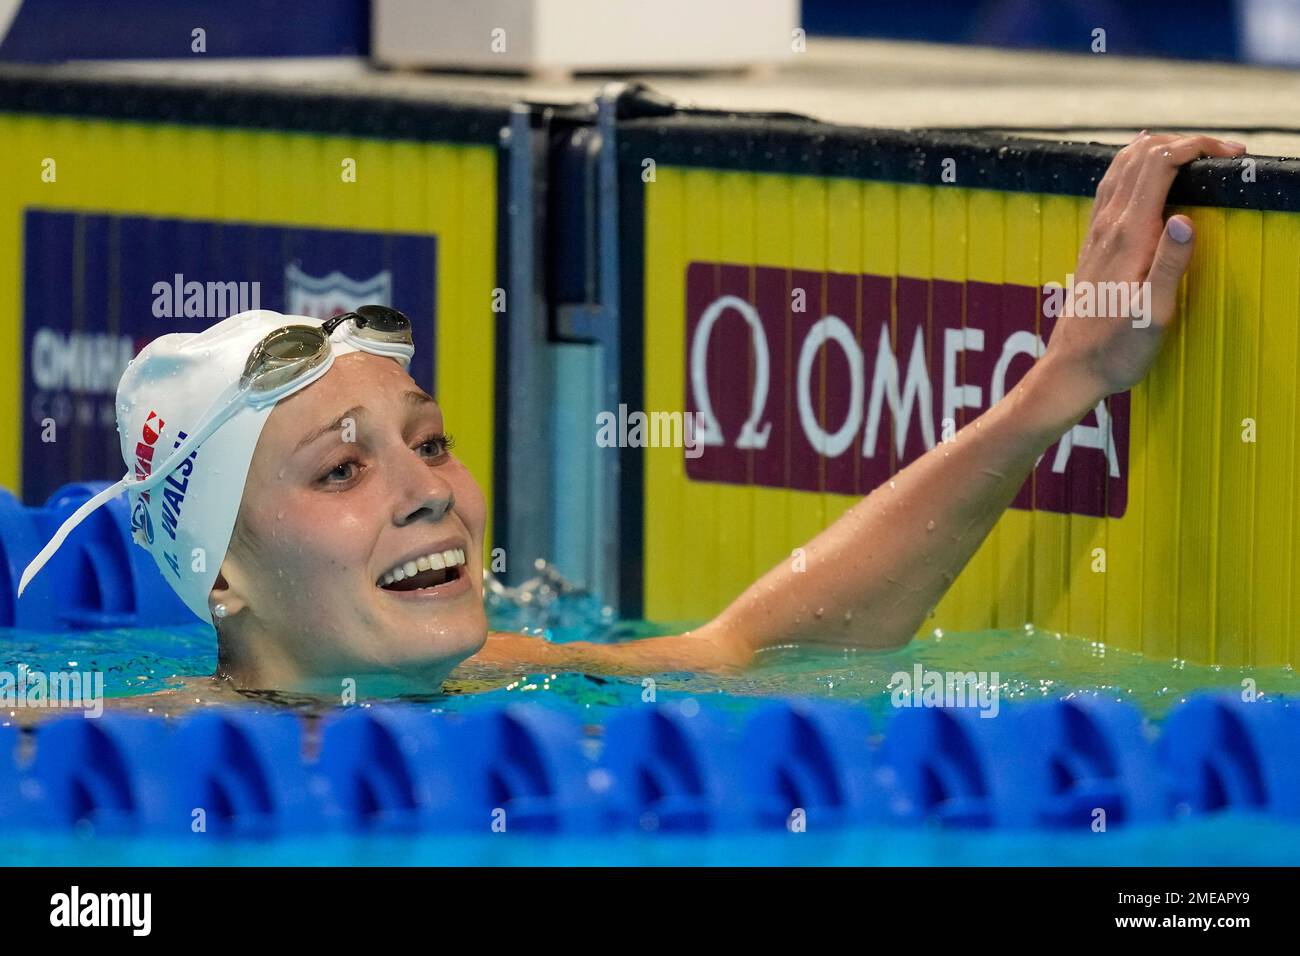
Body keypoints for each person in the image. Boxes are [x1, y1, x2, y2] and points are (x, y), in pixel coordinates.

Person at [17, 132, 1246, 697]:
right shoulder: (112, 752)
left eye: (430, 440)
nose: (429, 489)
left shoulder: (507, 676)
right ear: (218, 575)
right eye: (341, 471)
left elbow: (758, 645)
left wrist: (1059, 388)